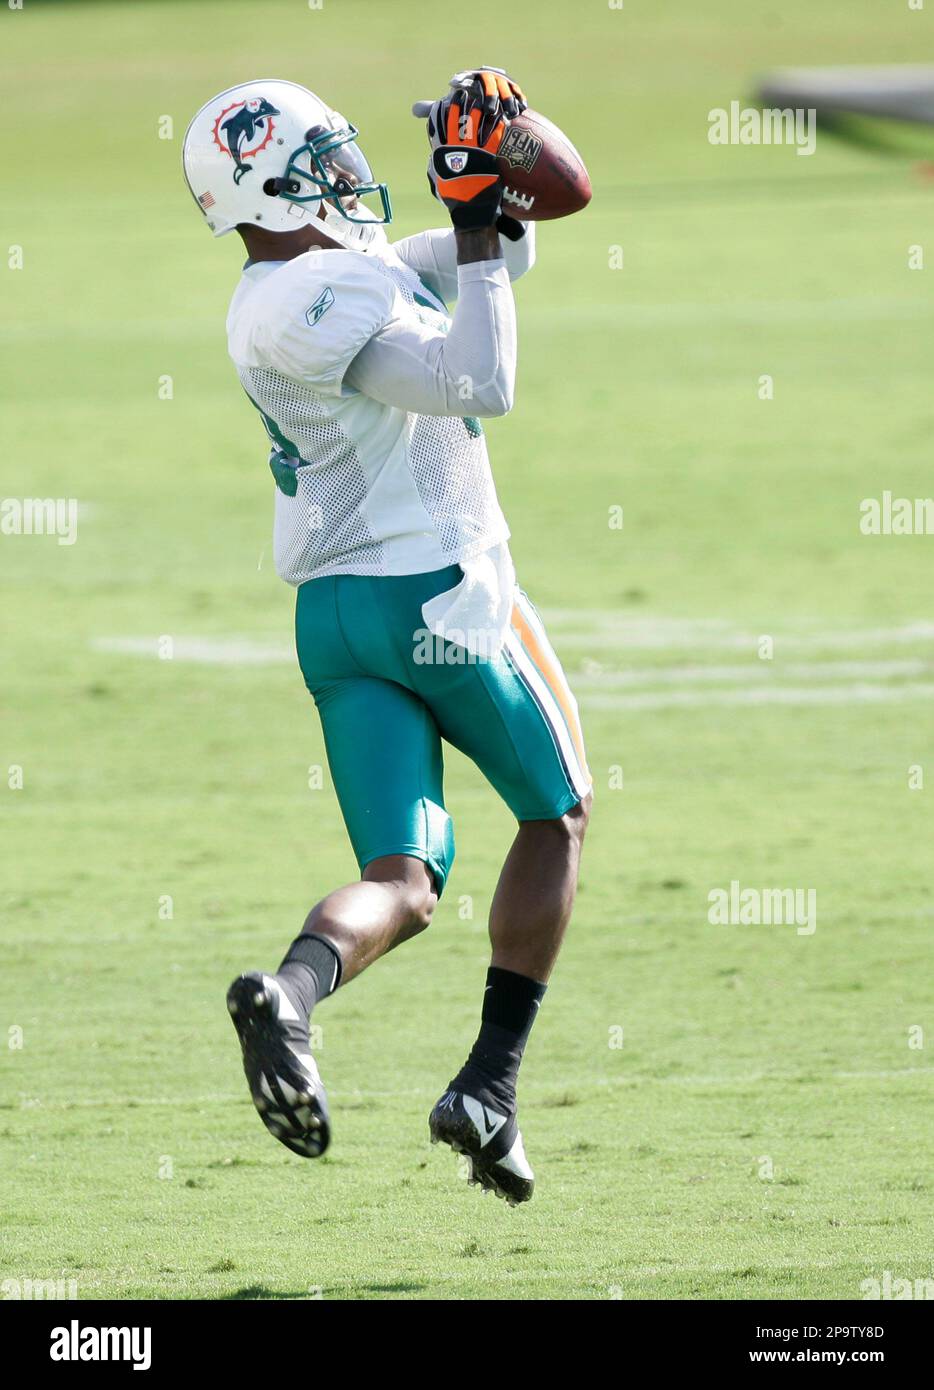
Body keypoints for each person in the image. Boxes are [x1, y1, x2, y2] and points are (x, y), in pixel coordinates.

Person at [181, 69, 591, 1204]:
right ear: (268, 186)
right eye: (320, 159)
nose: (344, 173)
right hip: (438, 602)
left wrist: (489, 181)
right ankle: (489, 1085)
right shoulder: (325, 297)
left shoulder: (276, 292)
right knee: (556, 816)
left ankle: (293, 994)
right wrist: (467, 213)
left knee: (402, 880)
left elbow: (495, 264)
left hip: (336, 623)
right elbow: (482, 378)